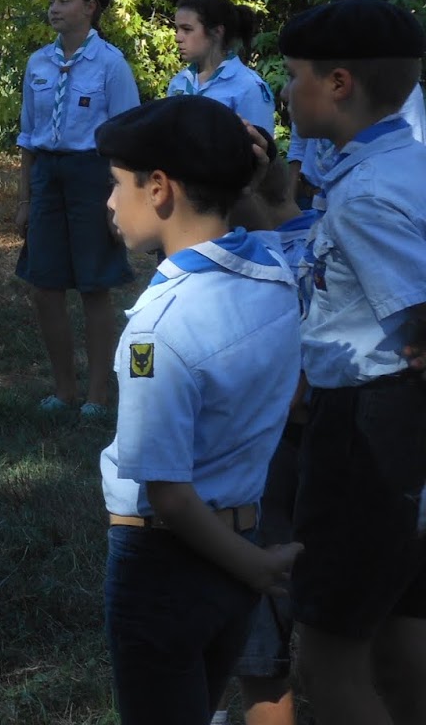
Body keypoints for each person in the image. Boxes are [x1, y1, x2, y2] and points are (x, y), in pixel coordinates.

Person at [96, 96, 303, 725]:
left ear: (159, 188)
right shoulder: (275, 269)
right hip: (239, 538)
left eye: (116, 184)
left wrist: (258, 567)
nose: (109, 201)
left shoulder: (156, 330)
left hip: (165, 562)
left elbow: (168, 492)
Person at [278, 0, 426, 725]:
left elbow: (418, 315)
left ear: (338, 84)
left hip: (369, 430)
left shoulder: (367, 195)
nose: (283, 90)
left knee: (329, 662)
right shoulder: (401, 165)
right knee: (401, 642)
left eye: (293, 74)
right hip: (394, 425)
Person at [210, 132, 317, 725]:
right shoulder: (336, 227)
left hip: (279, 445)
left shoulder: (252, 257)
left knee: (264, 630)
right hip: (340, 435)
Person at [16, 0, 140, 416]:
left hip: (94, 177)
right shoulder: (38, 64)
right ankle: (63, 388)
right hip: (49, 175)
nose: (54, 8)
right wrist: (26, 198)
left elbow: (127, 138)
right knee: (44, 285)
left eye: (65, 0)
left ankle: (97, 394)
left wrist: (120, 201)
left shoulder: (110, 64)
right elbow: (28, 136)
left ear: (90, 8)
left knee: (94, 284)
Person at [288, 0, 426, 205]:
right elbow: (299, 145)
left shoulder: (365, 199)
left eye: (292, 77)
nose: (286, 92)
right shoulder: (318, 80)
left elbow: (414, 141)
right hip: (316, 192)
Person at [166, 0, 275, 134]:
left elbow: (261, 149)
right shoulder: (178, 82)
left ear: (217, 32)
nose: (177, 38)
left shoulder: (248, 86)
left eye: (187, 29)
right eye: (177, 29)